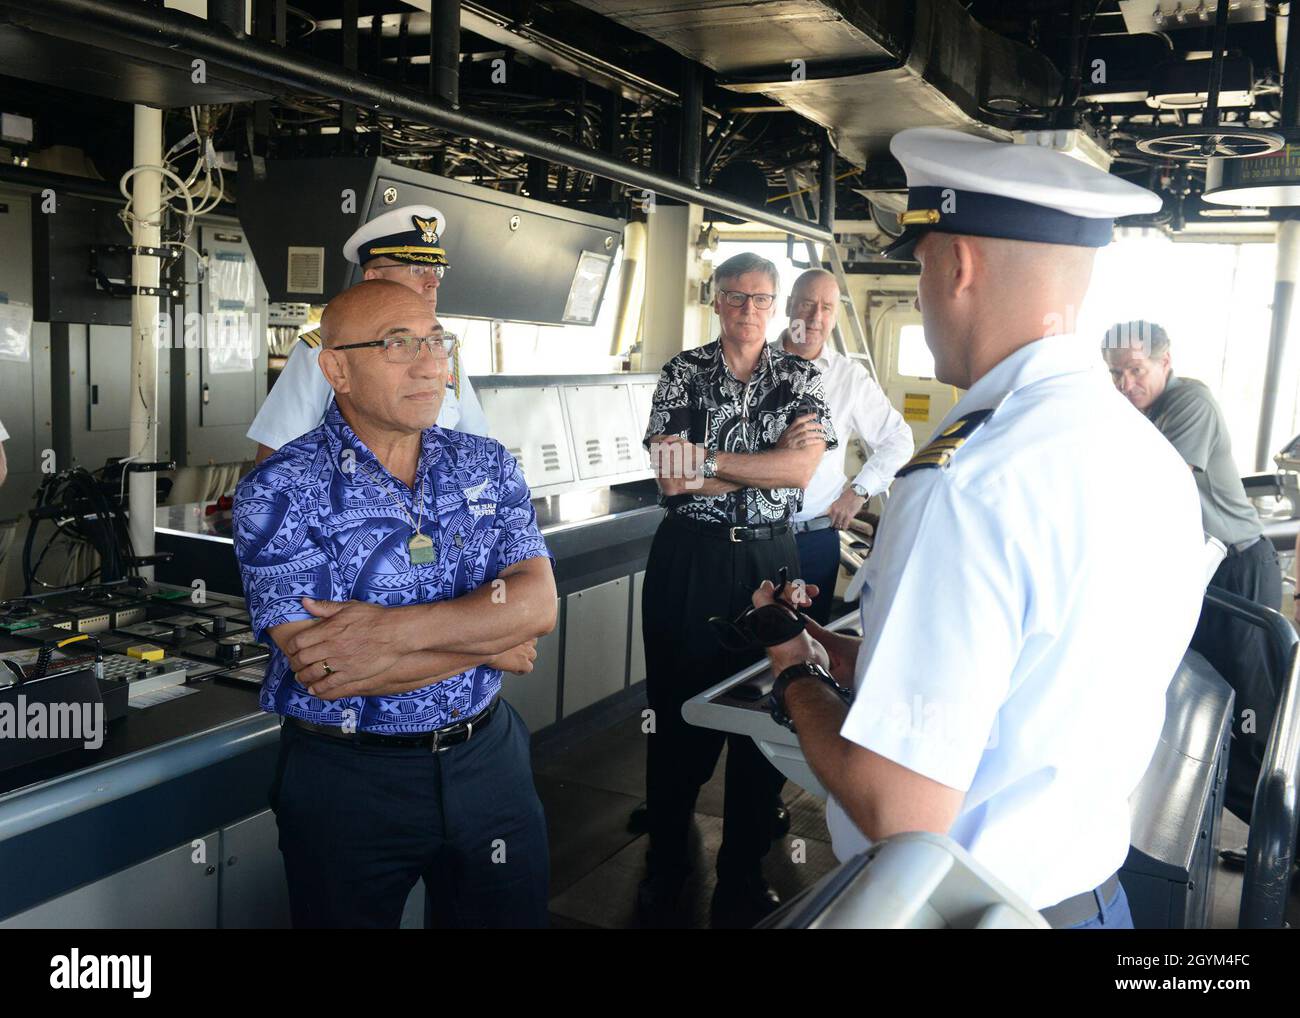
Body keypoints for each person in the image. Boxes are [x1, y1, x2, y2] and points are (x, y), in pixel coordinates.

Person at [752, 127, 1206, 929]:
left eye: (920, 266)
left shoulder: (967, 483)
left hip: (959, 911)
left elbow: (903, 813)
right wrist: (838, 652)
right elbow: (1023, 682)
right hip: (1092, 904)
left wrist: (793, 673)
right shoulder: (1150, 458)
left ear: (956, 266)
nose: (922, 292)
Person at [233, 279, 556, 928]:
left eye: (437, 341)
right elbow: (327, 671)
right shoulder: (280, 489)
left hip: (487, 762)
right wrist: (489, 641)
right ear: (336, 368)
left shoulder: (484, 465)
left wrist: (391, 634)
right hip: (347, 783)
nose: (431, 362)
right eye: (397, 344)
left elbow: (537, 602)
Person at [638, 250, 837, 928]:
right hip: (690, 561)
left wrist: (713, 463)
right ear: (716, 300)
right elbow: (671, 480)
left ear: (775, 305)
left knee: (767, 705)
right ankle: (668, 849)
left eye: (759, 299)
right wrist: (764, 467)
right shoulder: (681, 374)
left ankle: (744, 870)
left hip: (770, 564)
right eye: (734, 297)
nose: (747, 310)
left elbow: (802, 472)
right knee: (675, 704)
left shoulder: (799, 376)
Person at [1103, 320, 1285, 842]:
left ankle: (1284, 850)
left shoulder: (1189, 403)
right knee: (1206, 710)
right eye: (1115, 373)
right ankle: (1259, 844)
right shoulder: (1135, 412)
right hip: (1196, 577)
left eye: (1135, 370)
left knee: (1251, 718)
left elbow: (1155, 488)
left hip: (1238, 572)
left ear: (1165, 362)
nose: (1124, 384)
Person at [247, 204, 489, 463]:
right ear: (374, 278)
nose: (433, 281)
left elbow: (475, 444)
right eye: (417, 269)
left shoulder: (443, 349)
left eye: (436, 270)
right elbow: (275, 457)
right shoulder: (325, 349)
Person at [775, 268, 914, 624]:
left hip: (814, 541)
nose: (814, 317)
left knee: (808, 648)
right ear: (790, 305)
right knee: (744, 650)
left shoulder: (849, 378)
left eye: (826, 307)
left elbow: (899, 440)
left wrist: (859, 491)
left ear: (835, 316)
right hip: (751, 539)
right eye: (806, 304)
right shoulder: (753, 364)